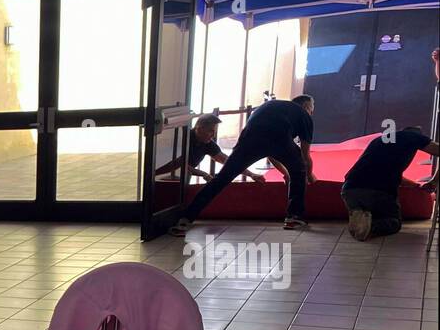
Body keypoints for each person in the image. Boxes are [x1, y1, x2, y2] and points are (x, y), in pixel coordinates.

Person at [172, 95, 317, 235]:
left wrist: (285, 172)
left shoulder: (274, 107)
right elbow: (304, 156)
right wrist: (309, 175)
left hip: (250, 137)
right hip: (277, 138)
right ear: (305, 107)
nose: (312, 112)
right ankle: (294, 216)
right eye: (311, 108)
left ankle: (185, 218)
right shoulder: (304, 117)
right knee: (299, 169)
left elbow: (269, 149)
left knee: (222, 178)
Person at [341, 126, 440, 241]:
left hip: (349, 190)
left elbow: (393, 176)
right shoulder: (414, 138)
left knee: (372, 210)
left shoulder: (380, 140)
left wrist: (416, 186)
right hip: (378, 191)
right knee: (393, 222)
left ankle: (360, 215)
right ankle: (370, 227)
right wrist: (434, 181)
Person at [155, 113, 264, 184]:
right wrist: (204, 174)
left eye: (214, 132)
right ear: (199, 128)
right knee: (185, 175)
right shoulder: (184, 138)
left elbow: (228, 161)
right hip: (159, 174)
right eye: (210, 131)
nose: (213, 135)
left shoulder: (207, 143)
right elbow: (180, 164)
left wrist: (251, 174)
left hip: (177, 176)